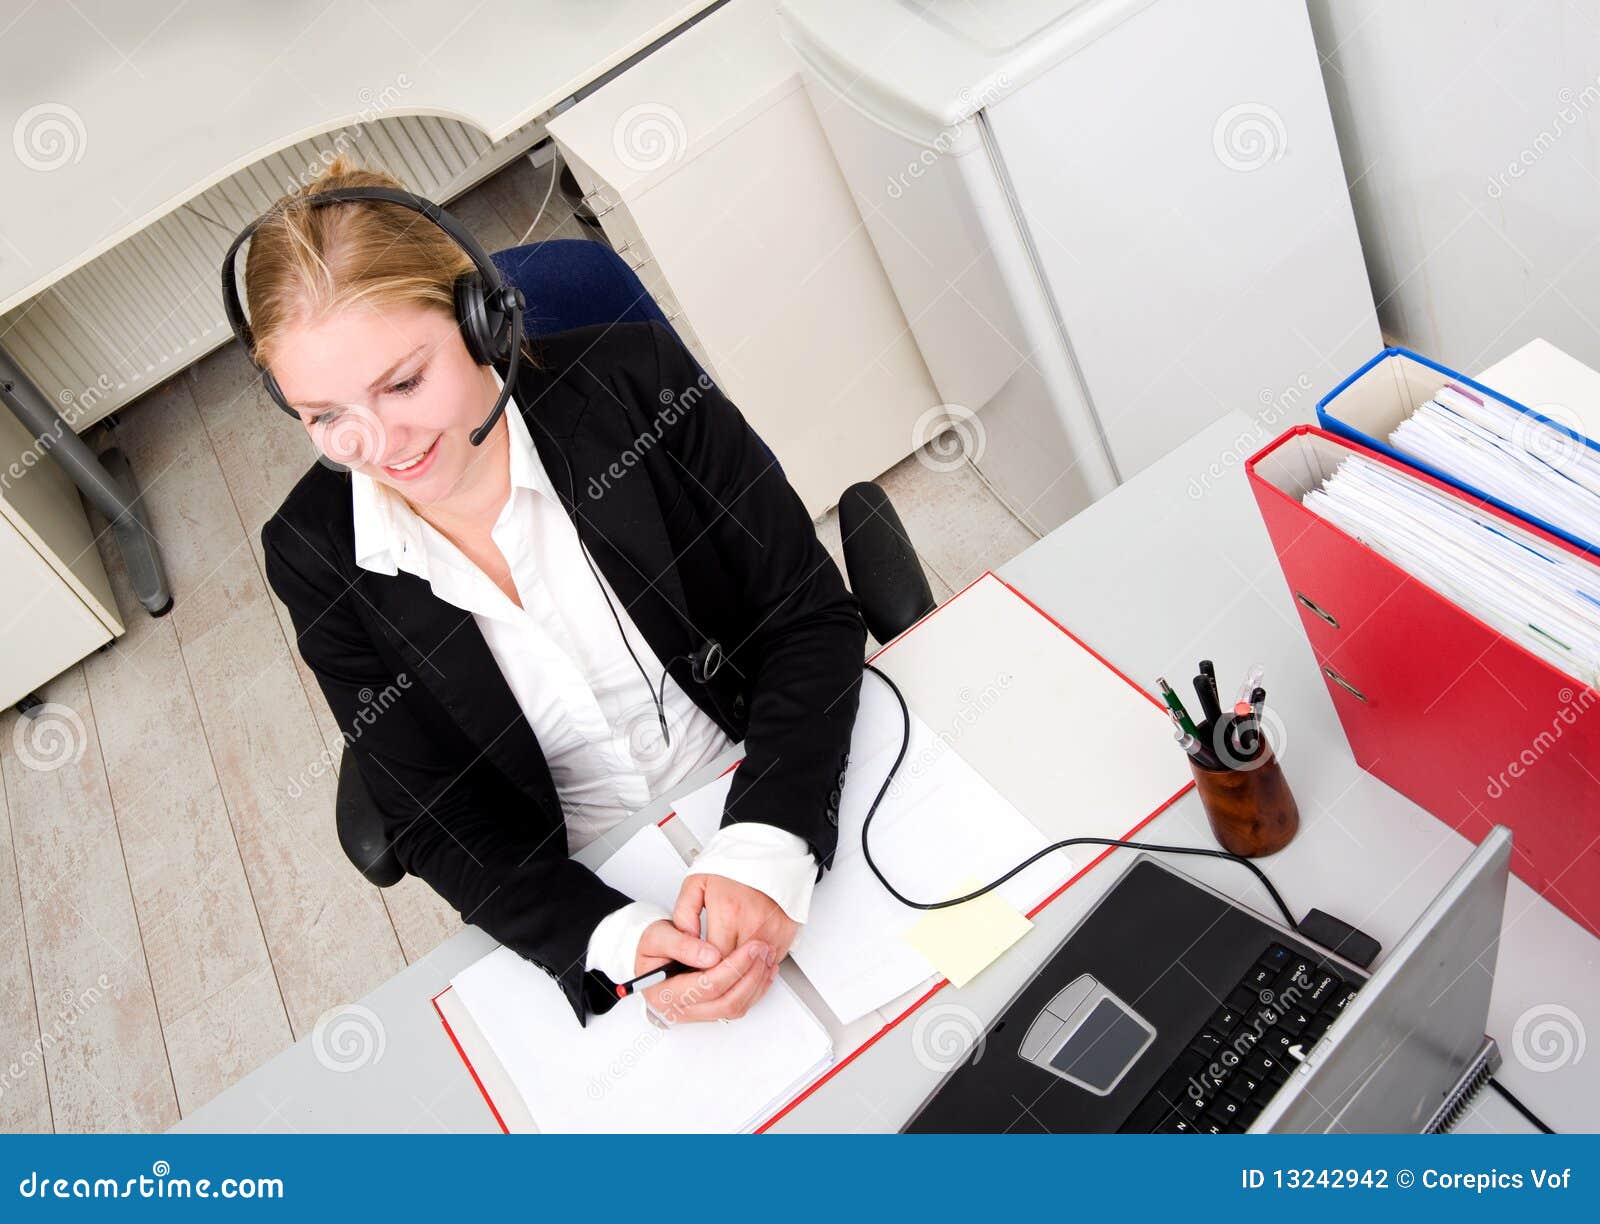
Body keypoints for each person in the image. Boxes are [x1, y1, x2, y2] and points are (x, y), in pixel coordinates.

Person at [247, 158, 864, 1025]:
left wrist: (766, 841)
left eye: (403, 382)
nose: (376, 442)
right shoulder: (313, 551)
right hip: (593, 877)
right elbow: (436, 817)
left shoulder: (638, 384)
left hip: (781, 772)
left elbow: (805, 615)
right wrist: (612, 940)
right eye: (323, 415)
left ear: (482, 319)